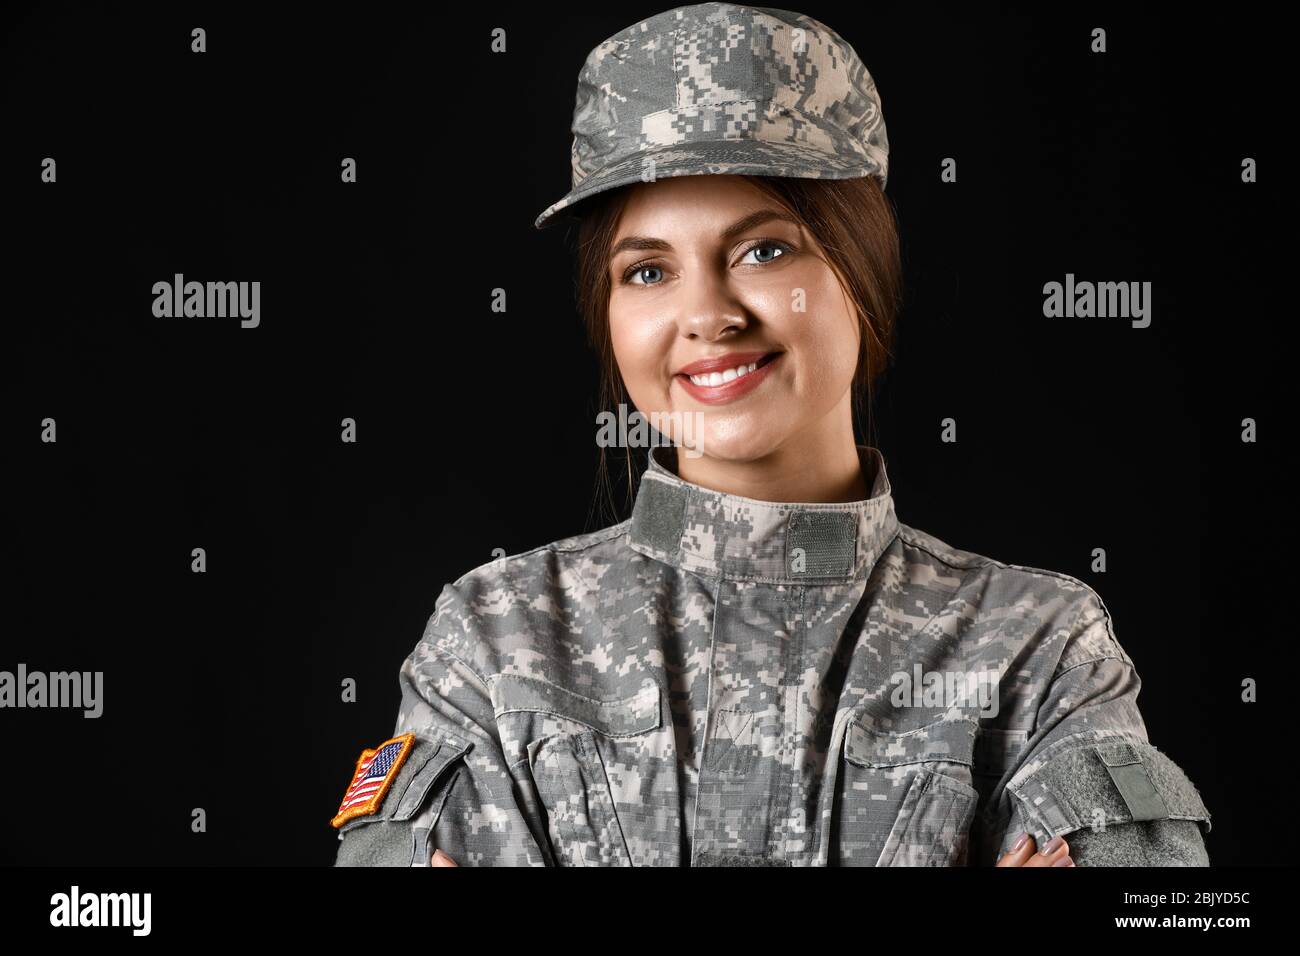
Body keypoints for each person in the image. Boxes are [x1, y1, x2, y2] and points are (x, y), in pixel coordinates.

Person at [330, 2, 1211, 867]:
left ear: (861, 270)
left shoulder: (1037, 644)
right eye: (647, 270)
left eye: (765, 251)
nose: (707, 314)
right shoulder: (493, 641)